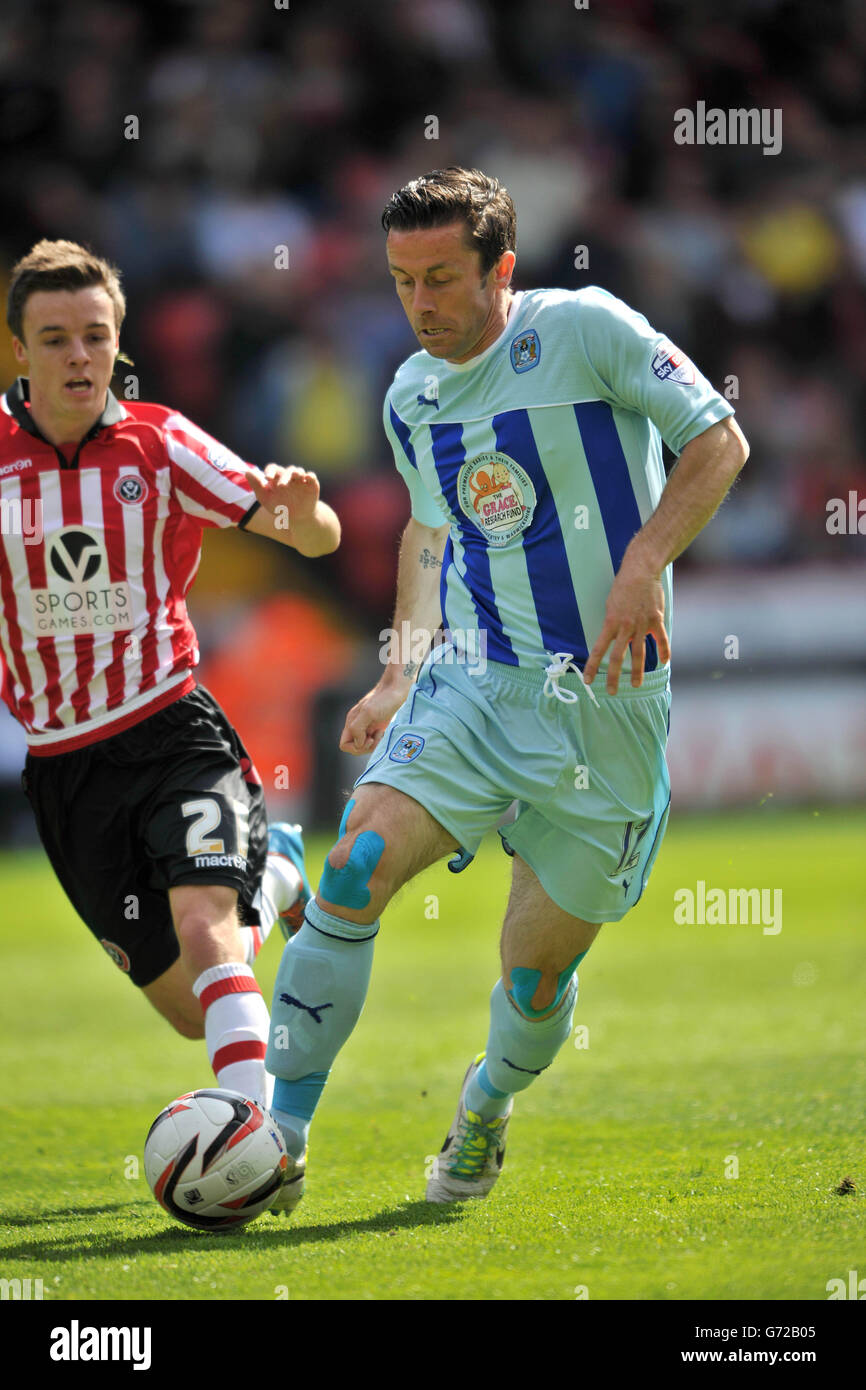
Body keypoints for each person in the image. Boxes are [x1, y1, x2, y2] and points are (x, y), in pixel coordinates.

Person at [265, 167, 748, 1213]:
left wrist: (639, 563)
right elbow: (432, 533)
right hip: (473, 684)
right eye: (402, 282)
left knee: (531, 982)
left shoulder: (586, 329)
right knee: (348, 869)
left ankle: (485, 1103)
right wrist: (398, 671)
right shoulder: (409, 395)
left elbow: (717, 440)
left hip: (607, 706)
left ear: (503, 270)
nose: (421, 304)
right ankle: (277, 1134)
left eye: (442, 278)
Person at [0, 239, 340, 1111]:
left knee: (205, 926)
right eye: (56, 337)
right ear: (19, 349)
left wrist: (303, 520)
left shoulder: (160, 445)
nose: (80, 355)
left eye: (96, 335)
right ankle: (278, 872)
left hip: (171, 728)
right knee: (191, 1010)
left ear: (119, 342)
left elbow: (317, 533)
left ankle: (255, 1135)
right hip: (65, 769)